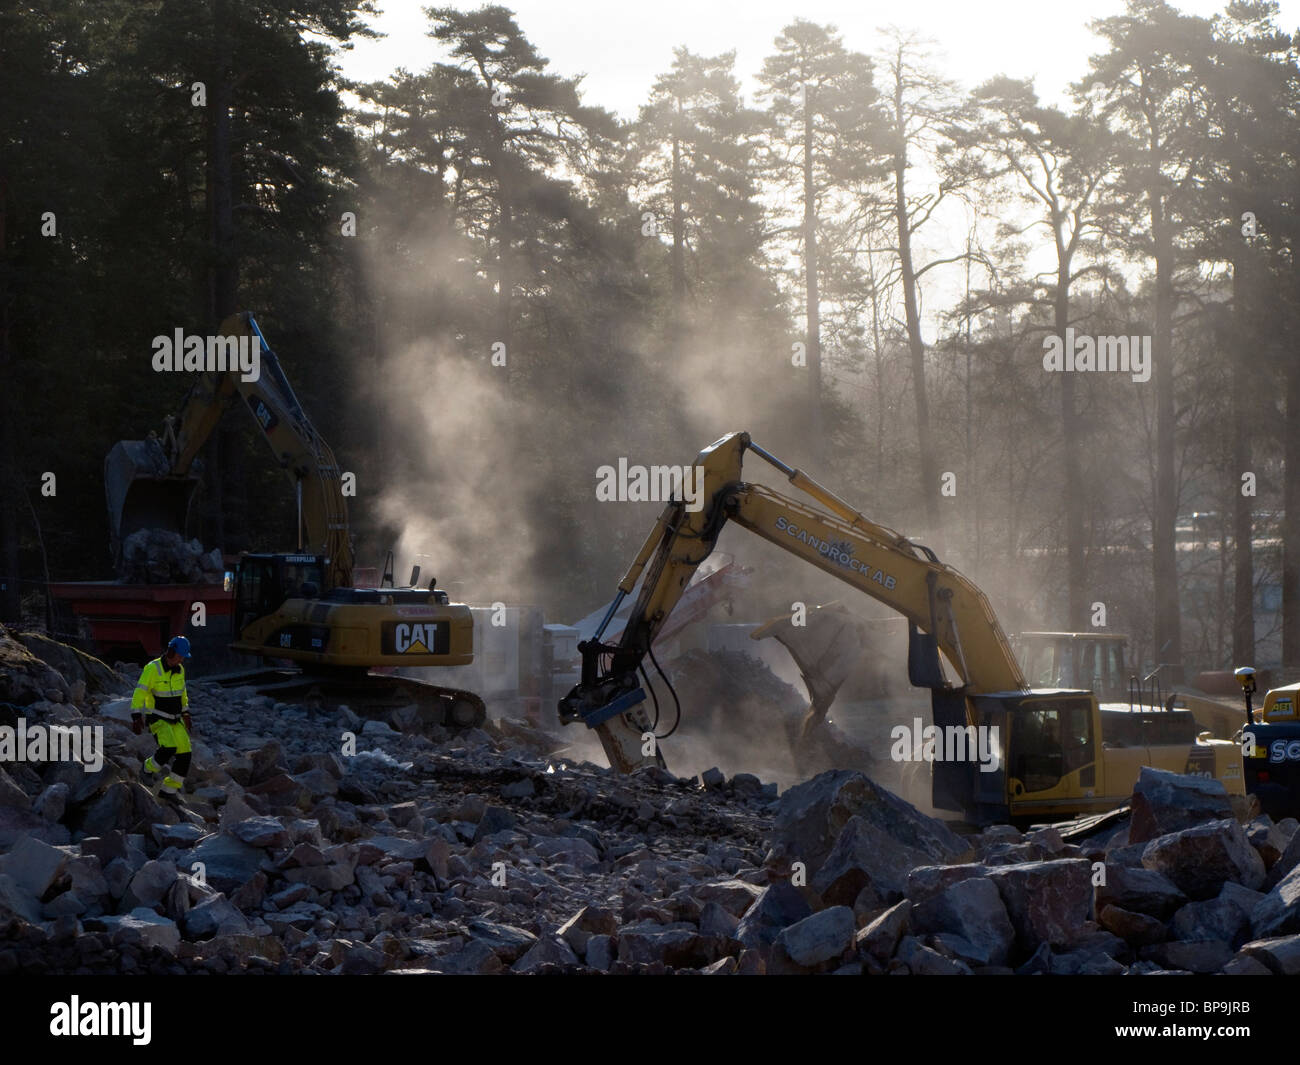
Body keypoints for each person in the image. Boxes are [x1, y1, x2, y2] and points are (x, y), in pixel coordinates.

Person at [130, 635, 194, 798]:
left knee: (185, 754)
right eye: (179, 657)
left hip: (176, 719)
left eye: (183, 658)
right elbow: (140, 691)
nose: (181, 661)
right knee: (168, 748)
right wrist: (136, 715)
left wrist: (186, 713)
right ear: (171, 652)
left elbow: (183, 694)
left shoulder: (180, 671)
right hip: (157, 718)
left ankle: (169, 791)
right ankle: (147, 769)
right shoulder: (153, 669)